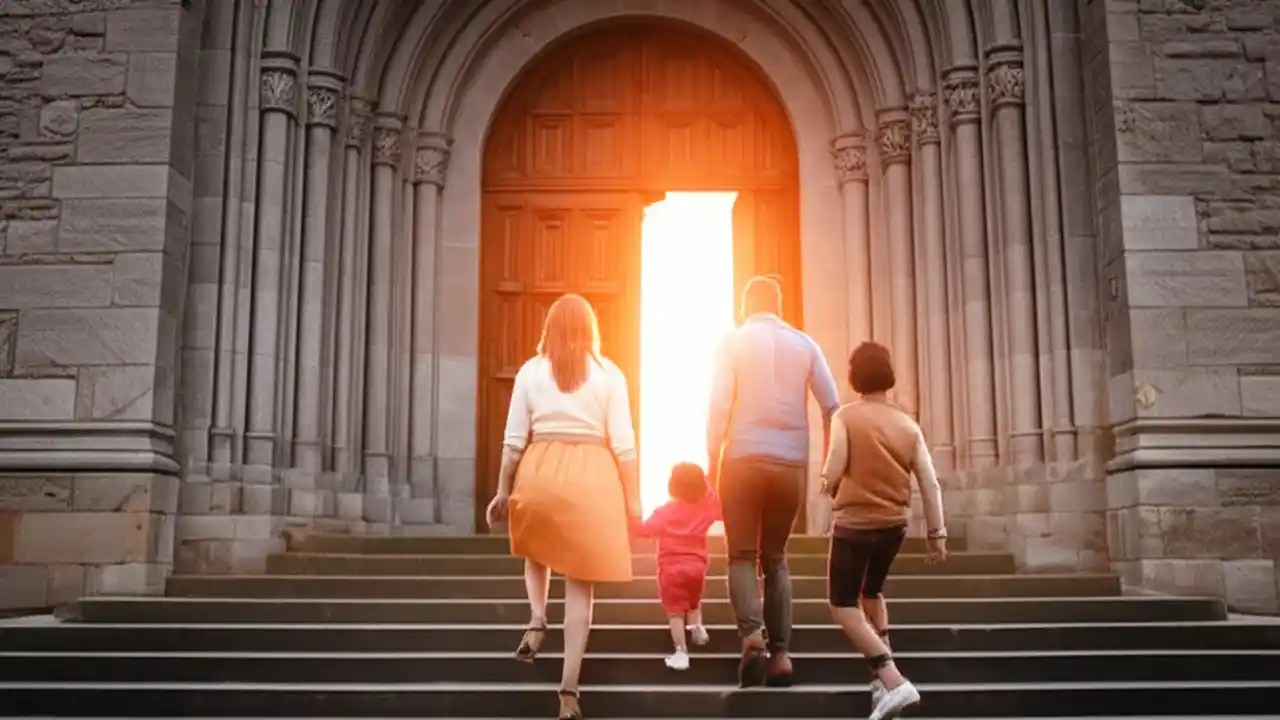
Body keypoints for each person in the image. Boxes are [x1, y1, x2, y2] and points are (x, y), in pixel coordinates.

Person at [485, 294, 641, 720]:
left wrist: (503, 491)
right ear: (590, 328)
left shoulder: (531, 372)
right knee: (580, 586)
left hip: (541, 470)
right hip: (592, 477)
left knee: (537, 544)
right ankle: (569, 691)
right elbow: (625, 446)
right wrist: (632, 499)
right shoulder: (610, 374)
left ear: (548, 328)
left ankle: (537, 618)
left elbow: (513, 441)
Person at [706, 275, 841, 687]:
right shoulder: (805, 345)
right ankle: (781, 654)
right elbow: (833, 406)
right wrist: (830, 467)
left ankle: (752, 636)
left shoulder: (732, 342)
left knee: (741, 555)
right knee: (776, 556)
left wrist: (712, 458)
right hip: (789, 465)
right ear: (779, 306)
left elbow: (718, 404)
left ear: (747, 306)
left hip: (743, 459)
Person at [820, 341, 947, 720]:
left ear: (854, 376)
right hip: (893, 526)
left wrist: (825, 482)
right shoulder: (908, 426)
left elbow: (836, 464)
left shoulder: (845, 417)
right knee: (871, 591)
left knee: (842, 604)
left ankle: (893, 679)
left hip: (854, 525)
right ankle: (881, 684)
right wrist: (937, 533)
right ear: (888, 377)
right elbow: (929, 481)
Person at [632, 462, 720, 671]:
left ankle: (681, 652)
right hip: (697, 567)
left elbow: (643, 531)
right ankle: (697, 628)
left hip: (671, 569)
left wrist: (631, 519)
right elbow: (717, 502)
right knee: (693, 601)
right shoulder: (706, 508)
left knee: (675, 612)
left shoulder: (665, 511)